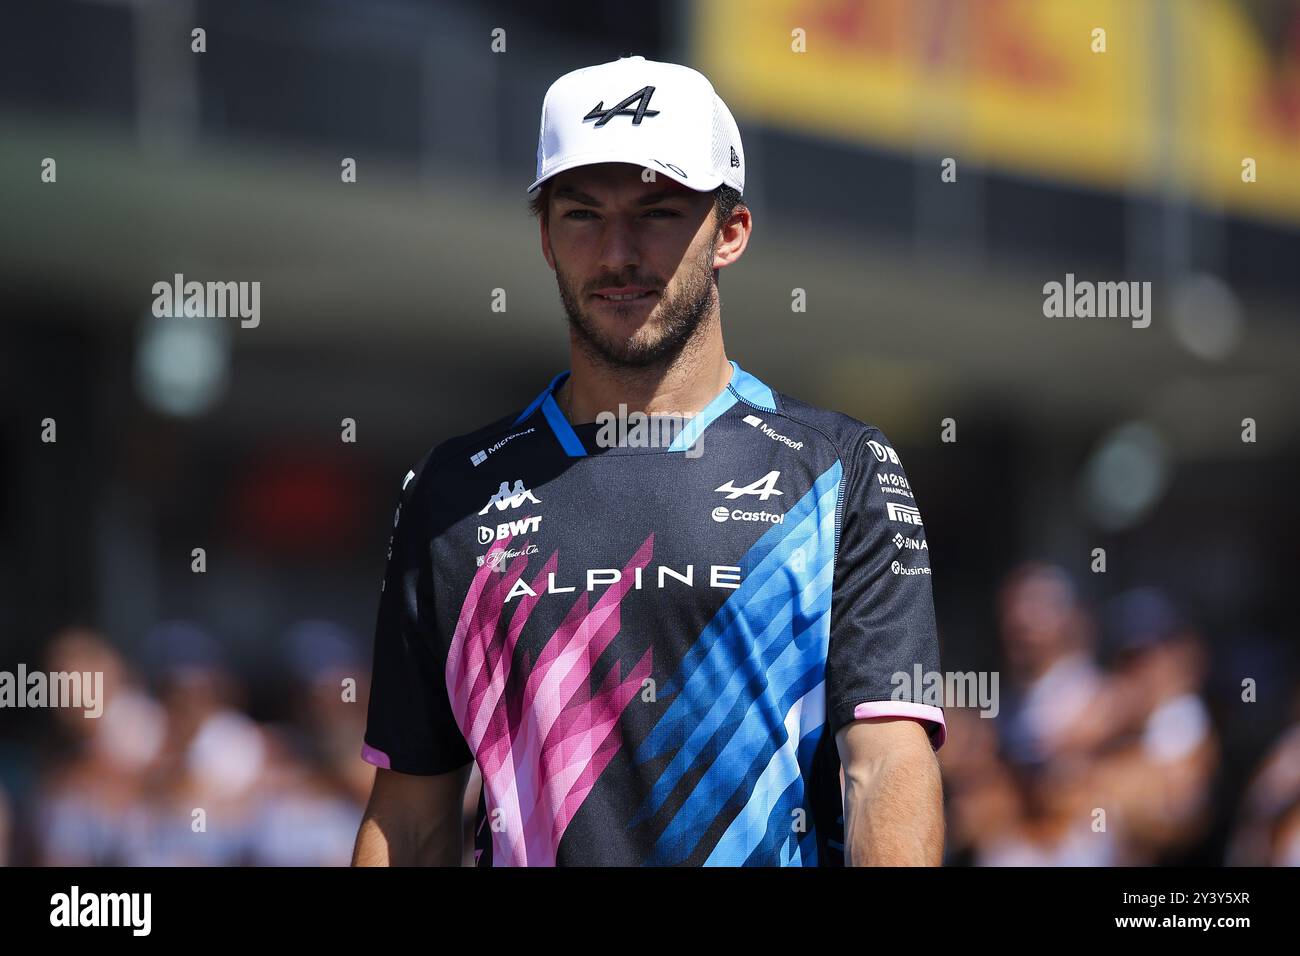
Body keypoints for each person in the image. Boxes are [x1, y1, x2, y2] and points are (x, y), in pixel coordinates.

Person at [352, 55, 944, 866]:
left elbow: (885, 767)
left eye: (657, 212)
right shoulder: (452, 491)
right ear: (545, 239)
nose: (617, 252)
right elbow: (412, 816)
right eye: (583, 214)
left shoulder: (842, 471)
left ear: (730, 232)